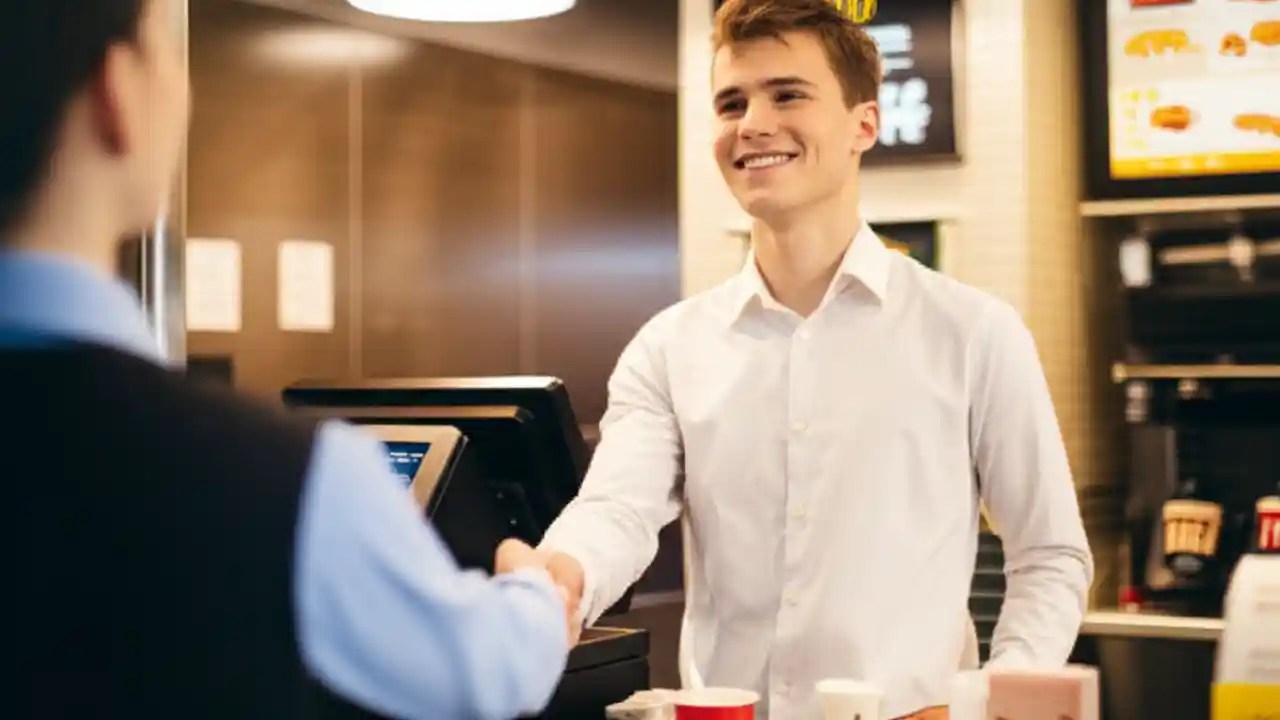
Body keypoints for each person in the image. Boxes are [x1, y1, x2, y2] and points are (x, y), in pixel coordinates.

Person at [1, 2, 571, 718]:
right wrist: (533, 590)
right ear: (119, 95)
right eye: (167, 56)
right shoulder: (284, 479)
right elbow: (482, 674)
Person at [537, 1, 1094, 718]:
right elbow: (617, 509)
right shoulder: (669, 346)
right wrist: (560, 576)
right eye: (731, 102)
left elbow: (1051, 557)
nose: (753, 124)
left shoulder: (974, 331)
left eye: (788, 94)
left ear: (865, 124)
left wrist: (986, 703)